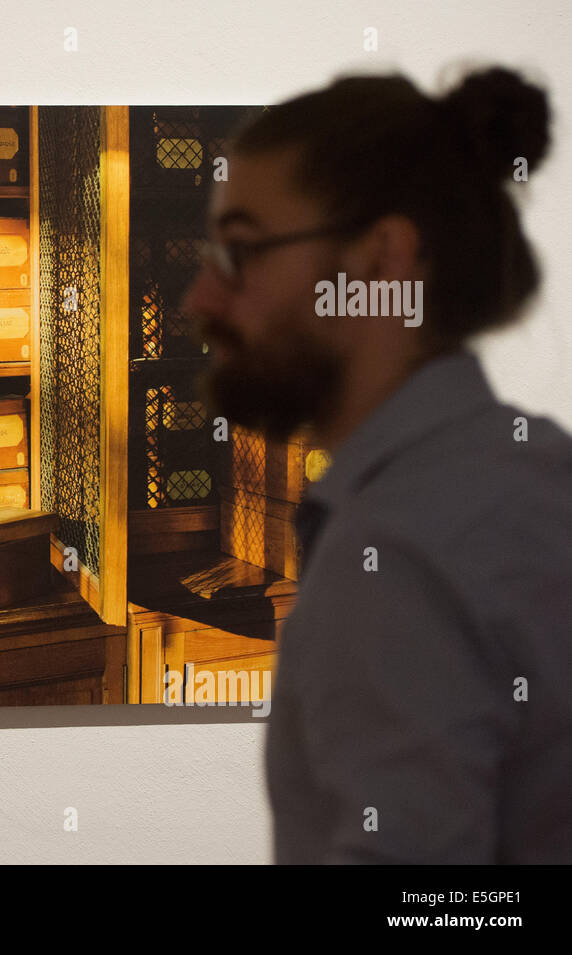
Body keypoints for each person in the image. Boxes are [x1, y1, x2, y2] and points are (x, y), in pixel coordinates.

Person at [180, 66, 572, 863]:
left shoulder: (395, 549)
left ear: (381, 260)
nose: (202, 300)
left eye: (241, 252)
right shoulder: (540, 470)